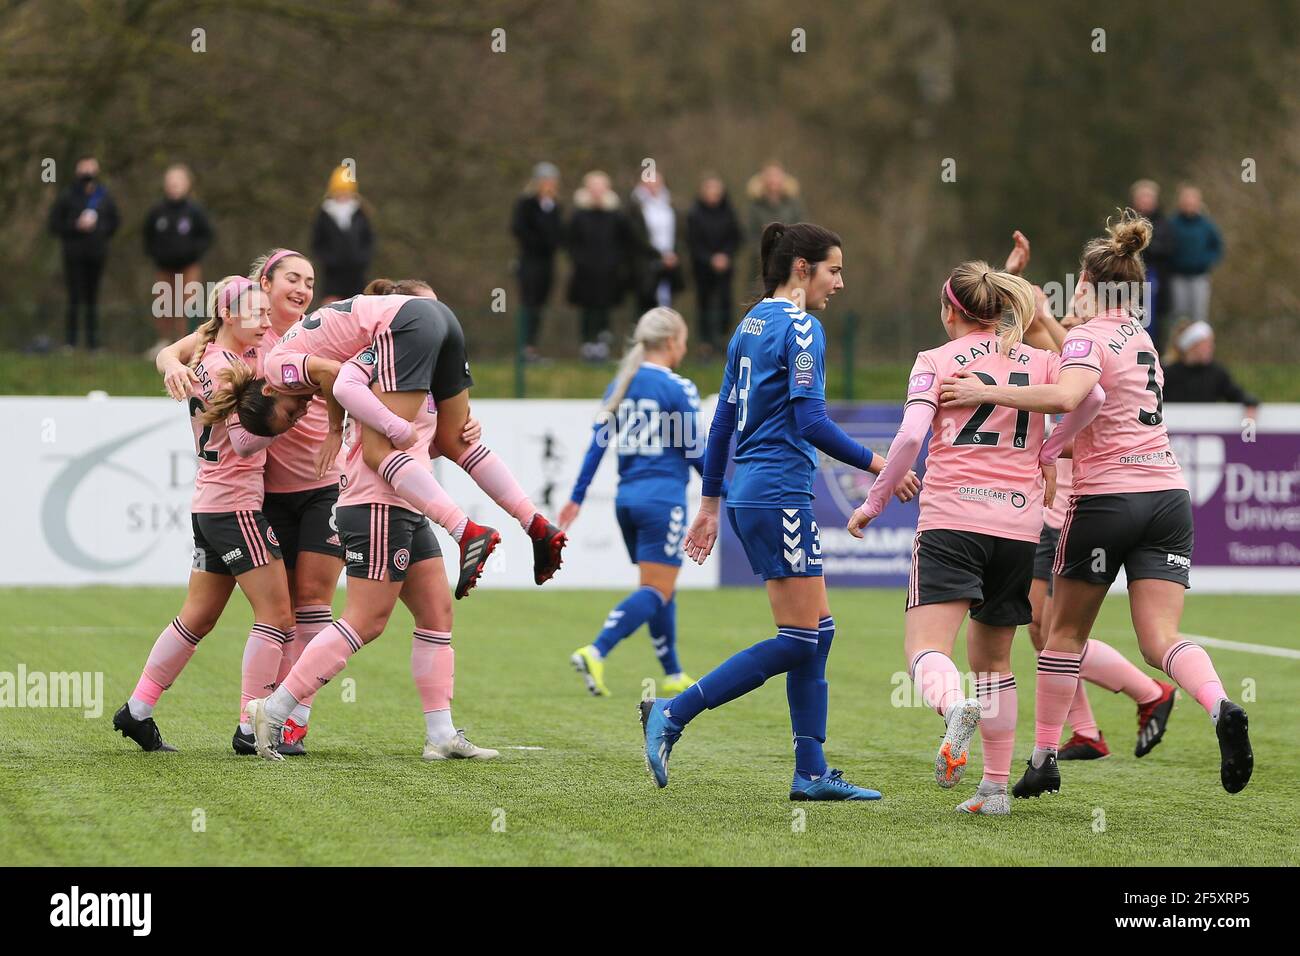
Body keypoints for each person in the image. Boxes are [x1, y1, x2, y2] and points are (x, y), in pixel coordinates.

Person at [939, 210, 1254, 797]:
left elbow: (1067, 391)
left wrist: (985, 390)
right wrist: (1017, 293)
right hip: (1168, 496)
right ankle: (1220, 705)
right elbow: (1065, 353)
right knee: (1160, 638)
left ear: (1088, 285)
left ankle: (1043, 757)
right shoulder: (1141, 339)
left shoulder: (1087, 337)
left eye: (1076, 284)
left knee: (1060, 637)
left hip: (1108, 500)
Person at [640, 222, 919, 801]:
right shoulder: (799, 326)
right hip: (778, 494)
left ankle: (811, 772)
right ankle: (673, 710)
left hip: (752, 492)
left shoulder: (750, 324)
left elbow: (723, 423)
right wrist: (882, 465)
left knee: (819, 630)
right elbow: (810, 422)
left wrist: (711, 501)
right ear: (802, 267)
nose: (840, 283)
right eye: (834, 270)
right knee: (797, 640)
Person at [848, 262, 1103, 816]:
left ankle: (954, 704)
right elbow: (1093, 399)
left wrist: (873, 501)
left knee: (925, 651)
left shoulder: (935, 361)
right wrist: (1048, 449)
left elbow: (913, 432)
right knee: (996, 663)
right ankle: (992, 790)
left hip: (951, 520)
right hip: (1017, 528)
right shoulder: (1041, 360)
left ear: (949, 312)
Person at [249, 295, 497, 762]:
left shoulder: (395, 360)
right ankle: (275, 708)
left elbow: (420, 433)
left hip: (400, 503)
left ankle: (441, 735)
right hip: (376, 501)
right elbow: (343, 388)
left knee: (437, 612)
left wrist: (459, 428)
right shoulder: (380, 357)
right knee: (366, 620)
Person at [255, 290, 568, 600]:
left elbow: (334, 376)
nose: (299, 414)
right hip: (444, 317)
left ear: (269, 392)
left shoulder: (274, 369)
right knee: (455, 441)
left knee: (378, 451)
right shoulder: (354, 335)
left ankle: (466, 533)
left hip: (409, 324)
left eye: (288, 414)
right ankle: (535, 523)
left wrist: (341, 430)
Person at [112, 276, 312, 752]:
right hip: (235, 506)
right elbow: (243, 442)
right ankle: (250, 728)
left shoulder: (213, 353)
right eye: (257, 313)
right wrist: (293, 414)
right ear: (228, 315)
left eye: (268, 312)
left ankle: (137, 710)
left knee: (197, 617)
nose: (266, 320)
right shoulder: (227, 368)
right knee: (278, 615)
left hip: (211, 504)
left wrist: (166, 359)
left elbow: (178, 355)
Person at [156, 249, 343, 753]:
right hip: (263, 495)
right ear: (266, 283)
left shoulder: (321, 329)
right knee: (279, 613)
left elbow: (357, 379)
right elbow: (179, 350)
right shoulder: (242, 331)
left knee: (312, 604)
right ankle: (254, 724)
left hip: (324, 486)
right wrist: (169, 360)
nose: (302, 289)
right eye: (292, 279)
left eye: (310, 279)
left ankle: (288, 719)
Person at [560, 308, 701, 697]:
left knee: (658, 586)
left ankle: (673, 672)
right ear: (672, 341)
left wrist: (576, 497)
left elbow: (597, 444)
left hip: (627, 500)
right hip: (663, 500)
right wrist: (727, 491)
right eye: (684, 340)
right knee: (657, 588)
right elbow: (696, 451)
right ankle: (596, 650)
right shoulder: (677, 388)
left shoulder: (622, 382)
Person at [47, 156, 119, 350]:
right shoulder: (67, 196)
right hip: (73, 255)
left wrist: (99, 227)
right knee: (74, 297)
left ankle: (93, 344)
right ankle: (70, 342)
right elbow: (54, 224)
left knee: (93, 298)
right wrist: (75, 225)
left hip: (96, 254)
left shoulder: (104, 197)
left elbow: (114, 223)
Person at [143, 164, 215, 354]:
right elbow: (147, 236)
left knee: (187, 305)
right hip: (163, 266)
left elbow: (207, 236)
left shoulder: (195, 211)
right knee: (163, 304)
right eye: (171, 182)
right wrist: (156, 253)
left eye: (178, 182)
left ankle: (186, 344)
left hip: (188, 266)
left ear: (187, 184)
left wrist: (192, 253)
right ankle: (164, 341)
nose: (174, 186)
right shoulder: (157, 211)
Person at [566, 171, 632, 361]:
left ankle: (602, 345)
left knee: (605, 309)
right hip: (585, 273)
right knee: (587, 309)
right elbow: (570, 243)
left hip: (609, 273)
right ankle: (587, 345)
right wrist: (581, 261)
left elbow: (625, 241)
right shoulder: (579, 215)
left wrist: (615, 262)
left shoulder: (616, 215)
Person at [510, 162, 564, 362]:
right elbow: (519, 230)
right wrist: (541, 241)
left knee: (541, 305)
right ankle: (524, 348)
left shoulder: (555, 206)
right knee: (529, 303)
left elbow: (558, 235)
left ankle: (532, 347)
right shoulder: (526, 204)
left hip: (547, 264)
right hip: (529, 261)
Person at [686, 174, 741, 355]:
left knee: (725, 303)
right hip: (702, 268)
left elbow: (736, 238)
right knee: (704, 304)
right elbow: (692, 242)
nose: (712, 194)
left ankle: (722, 339)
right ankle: (705, 343)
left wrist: (725, 256)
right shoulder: (694, 214)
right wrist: (710, 259)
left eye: (716, 190)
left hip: (725, 268)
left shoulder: (729, 212)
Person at [1162, 319, 1259, 418]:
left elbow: (1236, 395)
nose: (1212, 347)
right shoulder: (1167, 374)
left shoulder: (1216, 373)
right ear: (1192, 345)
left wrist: (1250, 402)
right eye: (1207, 344)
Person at [311, 165, 374, 303]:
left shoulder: (361, 213)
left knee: (358, 310)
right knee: (331, 311)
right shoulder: (324, 214)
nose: (342, 195)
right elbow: (317, 243)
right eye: (339, 191)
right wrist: (330, 260)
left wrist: (360, 259)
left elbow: (368, 241)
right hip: (332, 277)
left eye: (346, 191)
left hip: (357, 276)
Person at [627, 169, 684, 313]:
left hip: (670, 264)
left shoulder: (670, 204)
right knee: (644, 306)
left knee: (667, 304)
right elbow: (638, 236)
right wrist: (660, 255)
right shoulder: (635, 207)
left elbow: (678, 234)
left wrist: (673, 255)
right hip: (646, 265)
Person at [1166, 185, 1223, 327]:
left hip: (1200, 277)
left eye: (1192, 201)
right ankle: (1178, 347)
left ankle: (1199, 347)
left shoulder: (1206, 225)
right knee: (1178, 316)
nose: (1189, 204)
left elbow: (1217, 246)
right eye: (1186, 201)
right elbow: (1166, 248)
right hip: (1177, 277)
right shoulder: (1172, 224)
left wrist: (1205, 261)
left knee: (1199, 317)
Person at [1129, 180, 1174, 347]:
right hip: (1129, 276)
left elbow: (1167, 249)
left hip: (1154, 277)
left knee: (1152, 320)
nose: (1146, 201)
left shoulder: (1164, 223)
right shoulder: (1126, 220)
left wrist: (1144, 246)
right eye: (1142, 197)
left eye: (1149, 197)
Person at [743, 161, 804, 245]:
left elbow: (803, 229)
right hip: (762, 255)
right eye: (769, 175)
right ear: (762, 179)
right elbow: (751, 235)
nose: (773, 179)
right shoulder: (755, 206)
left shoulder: (793, 204)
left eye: (776, 175)